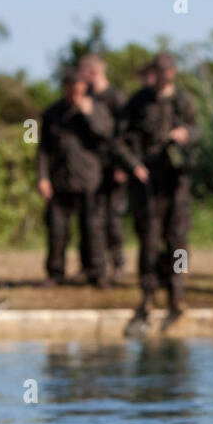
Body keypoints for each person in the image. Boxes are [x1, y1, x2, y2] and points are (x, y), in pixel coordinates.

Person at [115, 52, 200, 327]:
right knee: (149, 241)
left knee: (178, 242)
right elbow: (119, 140)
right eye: (158, 71)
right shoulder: (138, 101)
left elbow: (198, 131)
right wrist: (134, 165)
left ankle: (177, 293)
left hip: (176, 184)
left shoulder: (183, 101)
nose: (163, 76)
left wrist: (186, 135)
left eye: (167, 71)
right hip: (148, 182)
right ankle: (147, 295)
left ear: (173, 72)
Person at [37, 67, 115, 287]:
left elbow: (107, 137)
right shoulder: (50, 113)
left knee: (93, 229)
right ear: (65, 89)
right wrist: (42, 177)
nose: (75, 96)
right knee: (57, 229)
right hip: (60, 179)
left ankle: (96, 272)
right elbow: (41, 148)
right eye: (72, 91)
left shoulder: (98, 109)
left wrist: (88, 115)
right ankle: (55, 273)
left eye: (80, 91)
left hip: (90, 179)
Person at [79, 53, 129, 284]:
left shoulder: (116, 98)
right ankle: (91, 267)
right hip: (90, 169)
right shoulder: (84, 98)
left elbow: (122, 135)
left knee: (113, 219)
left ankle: (118, 264)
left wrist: (122, 166)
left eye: (84, 71)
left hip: (113, 168)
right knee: (90, 219)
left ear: (93, 71)